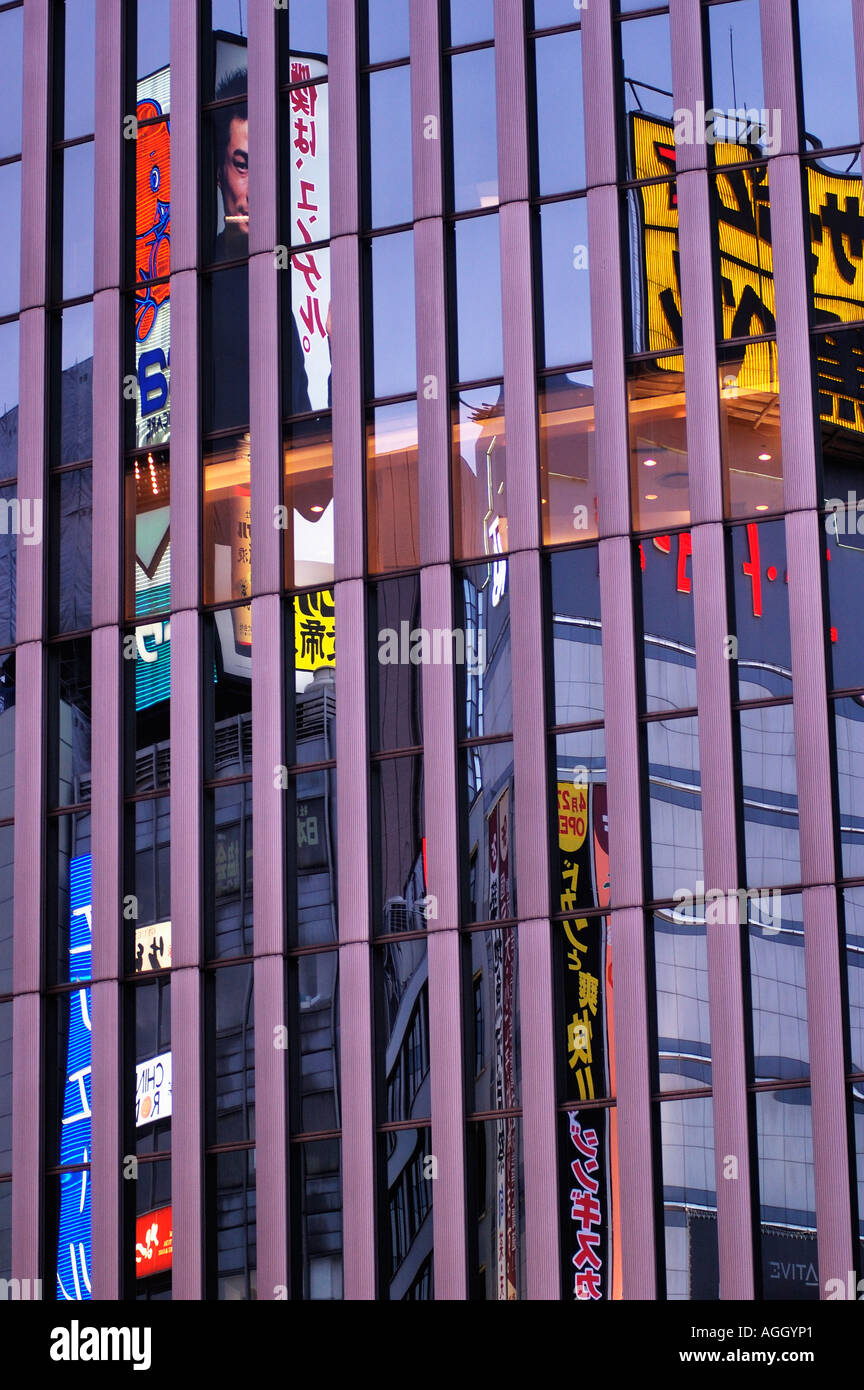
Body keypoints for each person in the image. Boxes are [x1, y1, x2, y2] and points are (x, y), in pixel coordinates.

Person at [212, 68, 313, 417]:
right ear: (218, 171)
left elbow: (305, 430)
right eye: (242, 167)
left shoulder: (276, 292)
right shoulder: (193, 287)